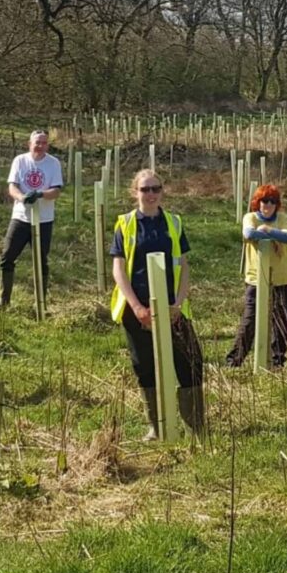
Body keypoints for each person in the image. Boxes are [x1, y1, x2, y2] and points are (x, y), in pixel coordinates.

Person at [109, 169, 203, 439]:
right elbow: (119, 270)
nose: (151, 194)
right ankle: (158, 426)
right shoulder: (125, 224)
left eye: (155, 189)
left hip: (173, 308)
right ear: (135, 192)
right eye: (145, 189)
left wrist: (178, 303)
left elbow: (183, 266)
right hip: (136, 310)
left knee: (190, 362)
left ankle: (195, 427)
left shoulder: (173, 222)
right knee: (145, 367)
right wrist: (137, 307)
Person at [225, 184, 287, 368]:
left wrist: (267, 230)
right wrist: (274, 235)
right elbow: (249, 233)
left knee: (281, 321)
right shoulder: (250, 217)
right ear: (257, 203)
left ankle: (277, 361)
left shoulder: (283, 218)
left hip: (285, 278)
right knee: (250, 320)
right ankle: (234, 360)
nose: (268, 205)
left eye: (272, 201)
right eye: (264, 201)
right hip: (256, 278)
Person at [0, 130, 64, 307]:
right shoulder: (20, 161)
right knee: (7, 257)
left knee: (41, 261)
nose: (40, 146)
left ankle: (40, 303)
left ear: (47, 145)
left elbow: (56, 191)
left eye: (44, 143)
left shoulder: (53, 163)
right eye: (37, 143)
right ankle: (4, 300)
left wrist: (41, 194)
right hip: (20, 217)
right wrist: (22, 197)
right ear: (29, 144)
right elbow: (12, 187)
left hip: (43, 220)